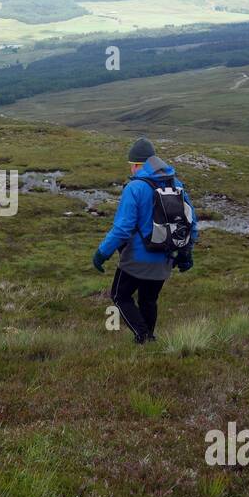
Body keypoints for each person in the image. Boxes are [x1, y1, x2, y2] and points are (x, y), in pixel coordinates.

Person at [92, 138, 197, 344]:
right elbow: (191, 221)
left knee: (120, 297)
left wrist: (102, 253)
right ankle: (149, 339)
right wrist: (187, 252)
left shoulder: (135, 187)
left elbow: (123, 229)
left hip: (135, 259)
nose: (131, 170)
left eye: (132, 165)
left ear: (138, 164)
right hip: (165, 258)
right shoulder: (175, 184)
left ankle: (143, 336)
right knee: (149, 300)